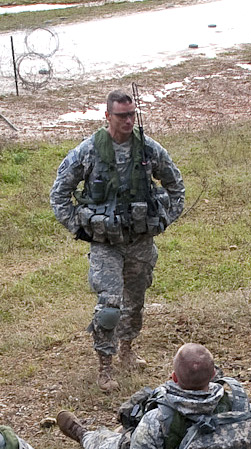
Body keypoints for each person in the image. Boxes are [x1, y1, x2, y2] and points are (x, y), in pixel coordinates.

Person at [49, 90, 188, 387]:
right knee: (110, 306)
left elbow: (176, 185)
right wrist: (79, 228)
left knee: (135, 302)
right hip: (105, 243)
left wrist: (164, 219)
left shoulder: (148, 149)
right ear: (107, 116)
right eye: (122, 115)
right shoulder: (88, 151)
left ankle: (127, 349)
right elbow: (59, 193)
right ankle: (105, 365)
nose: (128, 120)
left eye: (132, 114)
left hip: (139, 241)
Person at [51, 343, 251, 449]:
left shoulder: (158, 418)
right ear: (214, 375)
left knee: (114, 446)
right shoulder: (236, 400)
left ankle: (85, 435)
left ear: (173, 377)